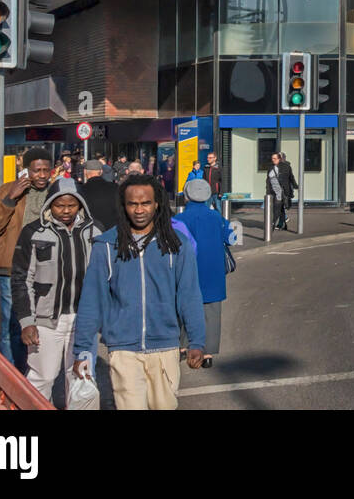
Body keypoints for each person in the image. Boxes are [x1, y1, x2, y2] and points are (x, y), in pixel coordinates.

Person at [72, 175, 205, 410]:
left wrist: (197, 341)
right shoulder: (106, 246)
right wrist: (83, 349)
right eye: (132, 204)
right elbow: (92, 301)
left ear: (157, 205)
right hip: (123, 351)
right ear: (124, 206)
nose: (139, 210)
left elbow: (189, 295)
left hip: (165, 349)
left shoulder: (177, 245)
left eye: (145, 203)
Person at [11, 178, 101, 400]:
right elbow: (21, 279)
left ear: (80, 205)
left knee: (81, 377)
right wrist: (26, 321)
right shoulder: (33, 232)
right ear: (49, 204)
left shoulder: (95, 231)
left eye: (72, 205)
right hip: (45, 320)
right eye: (59, 205)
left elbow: (104, 277)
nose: (66, 211)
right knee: (43, 377)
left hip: (84, 319)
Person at [0, 147, 56, 363]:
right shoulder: (5, 191)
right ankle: (11, 377)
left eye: (46, 170)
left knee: (45, 325)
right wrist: (10, 199)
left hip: (48, 267)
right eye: (37, 170)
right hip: (12, 267)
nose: (42, 175)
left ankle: (36, 376)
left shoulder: (57, 193)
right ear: (26, 170)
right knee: (12, 324)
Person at [177, 178, 236, 368]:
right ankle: (208, 353)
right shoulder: (216, 217)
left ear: (186, 196)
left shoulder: (179, 219)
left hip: (189, 269)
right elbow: (232, 237)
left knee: (185, 307)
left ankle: (184, 346)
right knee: (211, 311)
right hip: (213, 270)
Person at [77, 159, 120, 232]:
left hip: (90, 232)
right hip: (113, 232)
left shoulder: (81, 190)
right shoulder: (115, 188)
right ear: (101, 172)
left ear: (85, 172)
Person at [266, 152, 295, 230]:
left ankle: (272, 224)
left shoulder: (286, 167)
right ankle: (282, 224)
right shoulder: (272, 167)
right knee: (281, 208)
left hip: (281, 192)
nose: (273, 160)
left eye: (276, 158)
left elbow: (290, 178)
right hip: (274, 192)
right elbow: (268, 180)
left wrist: (292, 189)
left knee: (277, 208)